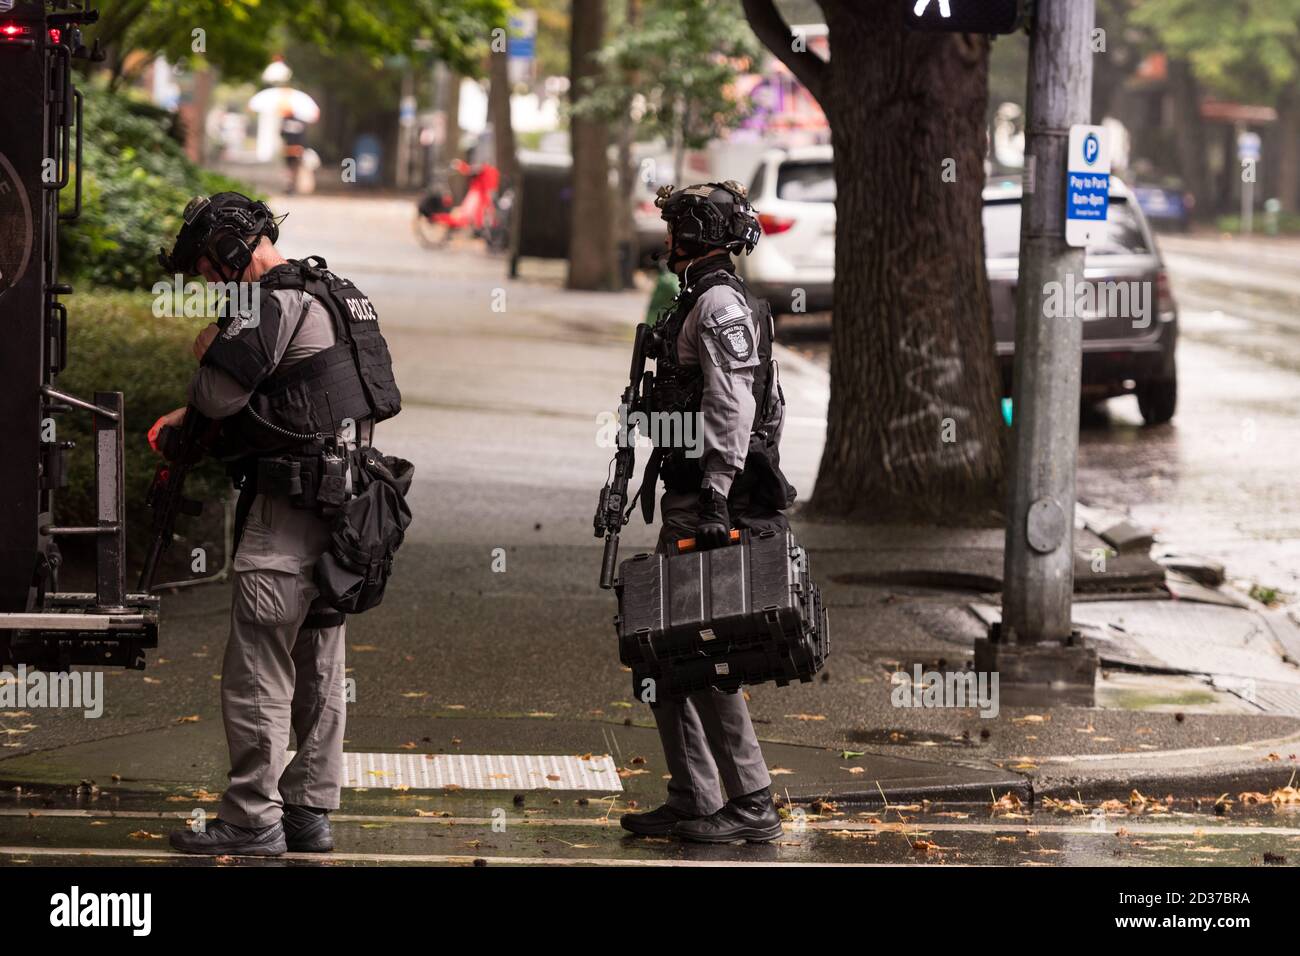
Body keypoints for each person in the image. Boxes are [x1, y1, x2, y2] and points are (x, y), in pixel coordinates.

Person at [155, 192, 402, 855]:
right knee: (321, 660)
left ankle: (250, 817)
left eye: (207, 265)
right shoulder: (336, 292)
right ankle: (307, 812)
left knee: (260, 667)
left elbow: (216, 393)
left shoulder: (268, 302)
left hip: (287, 511)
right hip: (350, 508)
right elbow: (308, 393)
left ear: (235, 249)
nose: (206, 279)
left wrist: (206, 343)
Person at [619, 181, 797, 844]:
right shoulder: (699, 296)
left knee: (701, 651)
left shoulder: (718, 302)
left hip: (710, 501)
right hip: (689, 495)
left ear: (693, 232)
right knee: (662, 654)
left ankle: (749, 799)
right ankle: (695, 794)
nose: (665, 239)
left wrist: (719, 491)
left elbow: (734, 406)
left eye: (673, 228)